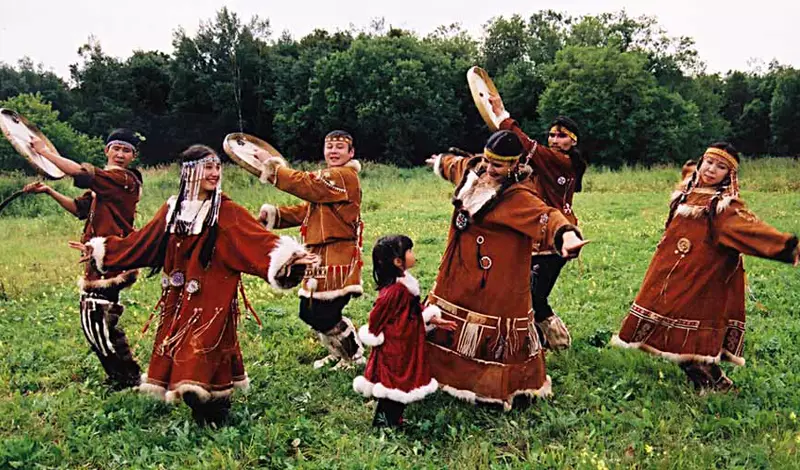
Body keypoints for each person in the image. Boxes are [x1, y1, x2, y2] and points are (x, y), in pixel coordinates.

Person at [70, 145, 316, 425]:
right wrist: (104, 251)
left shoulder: (225, 211)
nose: (214, 173)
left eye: (217, 168)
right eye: (207, 167)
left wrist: (290, 259)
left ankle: (213, 410)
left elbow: (256, 239)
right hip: (178, 297)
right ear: (189, 172)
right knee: (184, 349)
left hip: (212, 296)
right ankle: (213, 406)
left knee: (201, 348)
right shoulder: (173, 208)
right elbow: (143, 242)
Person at [612, 143, 799, 392]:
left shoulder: (723, 208)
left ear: (729, 175)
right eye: (708, 162)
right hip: (668, 273)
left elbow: (755, 233)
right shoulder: (686, 192)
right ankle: (712, 381)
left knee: (689, 333)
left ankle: (714, 384)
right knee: (666, 322)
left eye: (720, 167)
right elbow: (689, 172)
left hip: (702, 279)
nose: (711, 170)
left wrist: (790, 248)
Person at [424, 130, 589, 410]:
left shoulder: (518, 196)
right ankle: (441, 376)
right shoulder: (473, 170)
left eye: (498, 164)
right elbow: (455, 164)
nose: (490, 169)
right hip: (458, 270)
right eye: (488, 161)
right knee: (449, 319)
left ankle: (490, 388)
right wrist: (440, 161)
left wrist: (567, 236)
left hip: (495, 278)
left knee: (490, 331)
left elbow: (546, 217)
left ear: (515, 164)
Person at [23, 129, 144, 389]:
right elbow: (80, 209)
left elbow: (81, 173)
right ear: (107, 150)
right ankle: (122, 375)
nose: (121, 154)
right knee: (97, 320)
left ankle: (126, 377)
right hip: (98, 257)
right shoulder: (105, 184)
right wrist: (49, 192)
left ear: (133, 156)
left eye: (127, 150)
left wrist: (44, 152)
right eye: (117, 149)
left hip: (111, 256)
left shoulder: (124, 179)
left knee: (97, 318)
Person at [256, 130, 366, 369]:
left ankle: (354, 356)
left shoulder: (344, 176)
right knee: (309, 311)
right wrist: (275, 215)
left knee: (325, 313)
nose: (334, 151)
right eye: (330, 147)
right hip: (318, 257)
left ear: (351, 153)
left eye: (340, 147)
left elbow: (306, 184)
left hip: (338, 255)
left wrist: (273, 167)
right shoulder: (327, 183)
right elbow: (306, 210)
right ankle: (338, 351)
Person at [489, 95, 587, 350]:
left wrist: (501, 114)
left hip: (557, 235)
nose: (554, 140)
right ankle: (537, 340)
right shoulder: (549, 162)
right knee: (524, 293)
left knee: (534, 296)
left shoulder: (560, 161)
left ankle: (558, 341)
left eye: (561, 136)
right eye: (552, 135)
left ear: (573, 141)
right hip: (537, 233)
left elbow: (526, 145)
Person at [352, 235, 457, 427]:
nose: (413, 255)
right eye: (410, 251)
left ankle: (394, 419)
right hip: (397, 345)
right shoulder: (394, 291)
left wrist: (432, 318)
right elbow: (376, 316)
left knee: (402, 381)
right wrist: (376, 334)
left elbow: (413, 308)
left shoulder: (405, 284)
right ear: (398, 261)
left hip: (408, 342)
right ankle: (384, 423)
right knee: (395, 383)